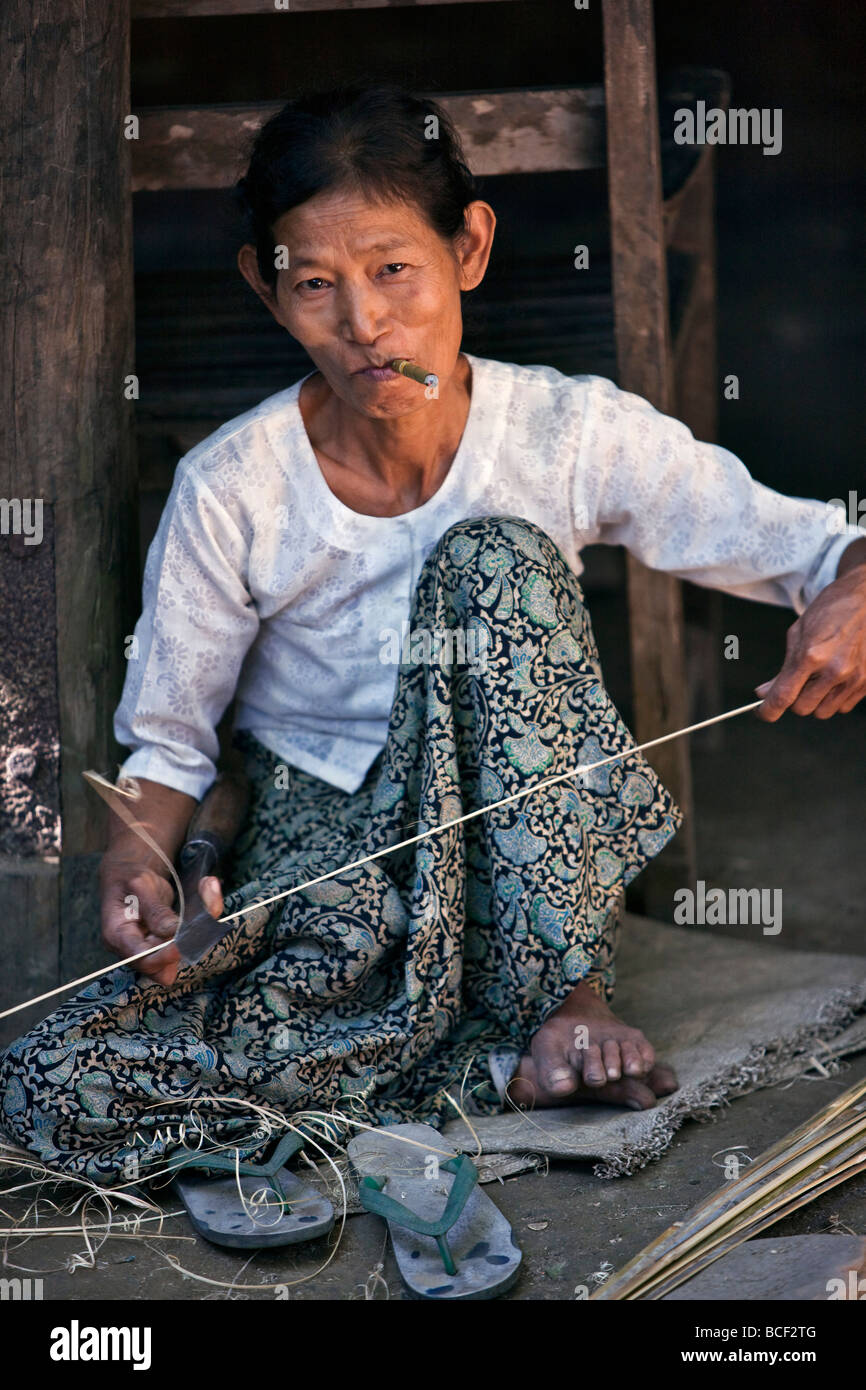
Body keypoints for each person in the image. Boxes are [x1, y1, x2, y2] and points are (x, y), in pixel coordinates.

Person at [2, 84, 865, 1188]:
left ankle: (563, 1002)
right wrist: (141, 860)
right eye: (313, 284)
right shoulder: (230, 485)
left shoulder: (563, 432)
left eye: (391, 269)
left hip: (514, 873)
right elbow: (169, 753)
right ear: (267, 293)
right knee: (45, 1087)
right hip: (343, 882)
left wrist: (847, 589)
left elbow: (810, 546)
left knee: (493, 559)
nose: (362, 323)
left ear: (469, 246)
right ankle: (471, 1056)